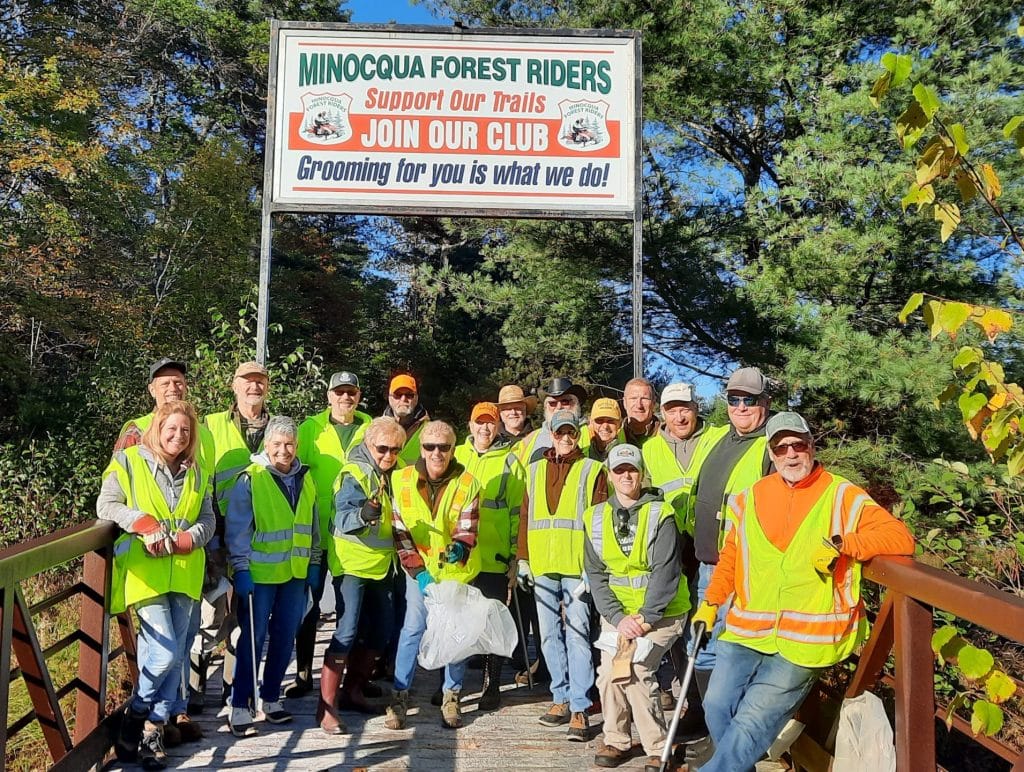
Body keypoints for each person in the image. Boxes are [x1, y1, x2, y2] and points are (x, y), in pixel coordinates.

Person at [692, 412, 915, 771]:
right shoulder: (751, 497)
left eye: (798, 445)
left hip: (808, 640)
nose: (791, 454)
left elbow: (901, 539)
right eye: (781, 448)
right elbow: (732, 557)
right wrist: (710, 604)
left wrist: (846, 543)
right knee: (717, 705)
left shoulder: (842, 494)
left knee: (753, 719)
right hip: (748, 628)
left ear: (811, 446)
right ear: (771, 453)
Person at [99, 401, 215, 770]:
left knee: (175, 655)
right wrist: (141, 522)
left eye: (185, 430)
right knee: (164, 653)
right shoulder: (129, 461)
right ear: (157, 427)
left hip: (184, 570)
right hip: (145, 572)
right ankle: (135, 716)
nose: (178, 435)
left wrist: (192, 537)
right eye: (172, 428)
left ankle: (152, 730)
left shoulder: (196, 469)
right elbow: (106, 505)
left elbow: (208, 518)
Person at [584, 445, 689, 772]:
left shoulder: (662, 514)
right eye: (619, 470)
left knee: (637, 670)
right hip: (618, 616)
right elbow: (596, 576)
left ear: (641, 472)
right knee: (609, 675)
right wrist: (618, 618)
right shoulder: (595, 516)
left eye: (632, 469)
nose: (626, 475)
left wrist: (643, 619)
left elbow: (666, 573)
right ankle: (616, 740)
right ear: (610, 475)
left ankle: (659, 748)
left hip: (661, 615)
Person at [688, 365, 774, 727]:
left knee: (727, 653)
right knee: (702, 647)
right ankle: (712, 727)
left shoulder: (770, 447)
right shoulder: (721, 437)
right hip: (707, 566)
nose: (740, 407)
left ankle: (723, 736)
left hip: (741, 572)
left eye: (749, 400)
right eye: (734, 399)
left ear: (765, 403)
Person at [225, 416, 321, 737]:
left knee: (285, 636)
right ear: (266, 445)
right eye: (277, 444)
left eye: (289, 444)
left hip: (294, 573)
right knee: (253, 638)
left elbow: (312, 526)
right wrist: (240, 569)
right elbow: (237, 530)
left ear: (296, 446)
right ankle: (240, 704)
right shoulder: (250, 480)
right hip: (259, 575)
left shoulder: (305, 478)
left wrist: (315, 563)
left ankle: (270, 698)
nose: (284, 450)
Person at [516, 410, 608, 741]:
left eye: (571, 433)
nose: (566, 438)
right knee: (548, 635)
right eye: (560, 433)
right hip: (542, 564)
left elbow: (600, 521)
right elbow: (526, 516)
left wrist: (592, 566)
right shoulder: (535, 470)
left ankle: (581, 707)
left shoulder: (593, 470)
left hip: (577, 566)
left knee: (578, 633)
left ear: (578, 435)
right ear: (551, 435)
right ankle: (560, 698)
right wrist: (523, 559)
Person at [385, 421, 482, 730]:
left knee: (456, 633)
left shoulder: (468, 482)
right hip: (420, 570)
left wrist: (460, 548)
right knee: (413, 628)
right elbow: (400, 533)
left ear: (454, 448)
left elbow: (467, 529)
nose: (436, 453)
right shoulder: (400, 480)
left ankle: (451, 695)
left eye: (444, 447)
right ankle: (399, 695)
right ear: (421, 449)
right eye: (429, 447)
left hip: (456, 572)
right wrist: (417, 571)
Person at [188, 361, 270, 716]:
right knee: (211, 613)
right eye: (247, 381)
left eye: (260, 381)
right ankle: (193, 688)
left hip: (260, 537)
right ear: (234, 386)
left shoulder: (278, 428)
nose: (254, 387)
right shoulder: (211, 426)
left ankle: (233, 689)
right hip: (218, 535)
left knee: (244, 615)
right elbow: (199, 477)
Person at [642, 382, 723, 737]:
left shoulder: (718, 438)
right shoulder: (649, 449)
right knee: (678, 626)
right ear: (663, 413)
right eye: (672, 409)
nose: (679, 415)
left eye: (685, 408)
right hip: (671, 547)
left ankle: (715, 706)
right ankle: (693, 700)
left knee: (710, 625)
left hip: (710, 545)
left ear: (696, 407)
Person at [317, 417, 406, 733]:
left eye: (395, 450)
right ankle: (326, 708)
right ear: (369, 444)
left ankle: (353, 691)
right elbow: (341, 518)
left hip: (383, 564)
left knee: (381, 629)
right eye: (382, 449)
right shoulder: (353, 472)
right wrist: (363, 514)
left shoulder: (397, 471)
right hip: (352, 564)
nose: (388, 455)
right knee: (347, 630)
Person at [290, 370, 372, 697]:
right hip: (314, 533)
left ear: (359, 395)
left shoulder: (370, 428)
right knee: (308, 604)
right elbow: (295, 474)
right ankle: (302, 674)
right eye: (339, 392)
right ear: (329, 396)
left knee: (348, 609)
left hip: (354, 535)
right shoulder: (310, 429)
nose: (345, 398)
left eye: (351, 392)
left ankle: (348, 681)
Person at [454, 401, 527, 710]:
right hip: (459, 557)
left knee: (493, 621)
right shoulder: (455, 455)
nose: (485, 428)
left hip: (494, 557)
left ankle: (491, 685)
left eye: (490, 422)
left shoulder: (511, 462)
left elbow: (517, 514)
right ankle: (451, 688)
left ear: (497, 427)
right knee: (457, 621)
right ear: (470, 426)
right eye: (479, 422)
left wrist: (514, 557)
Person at [113, 358, 214, 469]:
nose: (173, 388)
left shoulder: (204, 434)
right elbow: (115, 478)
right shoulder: (137, 431)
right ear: (152, 390)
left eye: (178, 382)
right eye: (165, 384)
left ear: (186, 387)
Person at [517, 377, 587, 466]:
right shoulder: (531, 439)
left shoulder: (591, 433)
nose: (558, 407)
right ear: (546, 408)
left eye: (565, 401)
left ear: (576, 404)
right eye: (553, 403)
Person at [383, 373, 430, 467]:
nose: (403, 399)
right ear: (389, 398)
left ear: (416, 398)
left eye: (409, 395)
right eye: (398, 395)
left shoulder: (430, 431)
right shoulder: (376, 429)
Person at [622, 378, 660, 447]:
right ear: (624, 402)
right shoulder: (613, 435)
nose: (639, 405)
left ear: (653, 403)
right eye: (633, 398)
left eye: (645, 398)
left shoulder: (667, 435)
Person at [584, 397, 623, 462]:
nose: (605, 426)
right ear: (591, 422)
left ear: (620, 423)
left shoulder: (627, 454)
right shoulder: (581, 454)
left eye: (610, 421)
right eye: (599, 420)